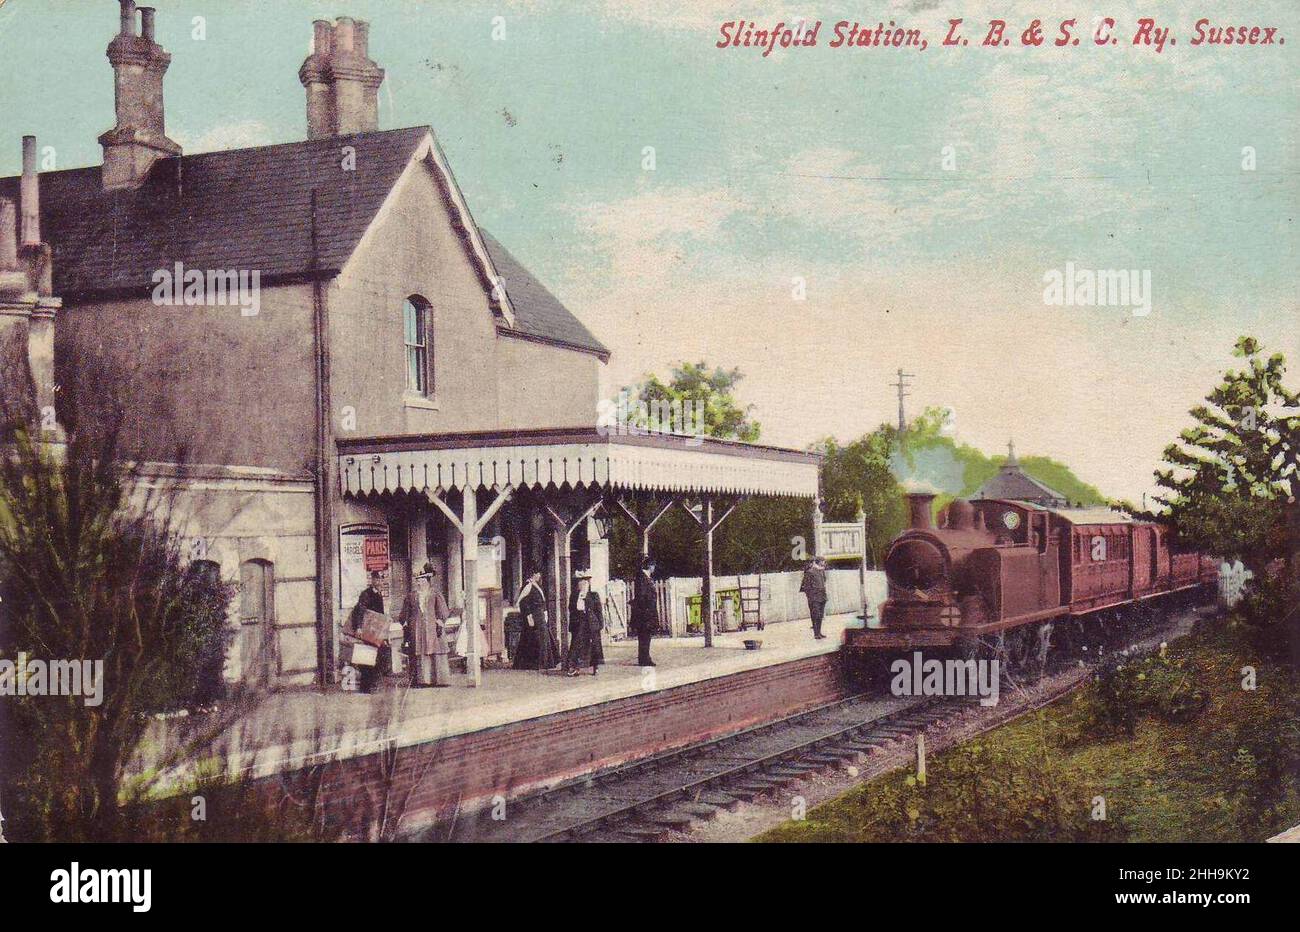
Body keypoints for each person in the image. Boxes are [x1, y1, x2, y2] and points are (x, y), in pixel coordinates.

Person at [401, 562, 451, 687]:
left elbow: (443, 611)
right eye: (417, 580)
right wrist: (406, 624)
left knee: (435, 651)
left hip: (433, 629)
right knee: (419, 652)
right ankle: (422, 680)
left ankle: (438, 680)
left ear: (427, 580)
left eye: (421, 580)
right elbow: (404, 614)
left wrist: (439, 623)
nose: (418, 583)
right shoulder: (411, 596)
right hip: (417, 629)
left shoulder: (435, 594)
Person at [347, 570, 387, 693]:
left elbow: (381, 616)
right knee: (367, 657)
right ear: (372, 580)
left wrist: (384, 634)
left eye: (381, 580)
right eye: (377, 579)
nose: (379, 582)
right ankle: (365, 687)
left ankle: (372, 685)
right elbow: (360, 611)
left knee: (377, 657)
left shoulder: (379, 595)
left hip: (376, 632)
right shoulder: (366, 594)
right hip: (366, 631)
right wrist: (359, 627)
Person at [512, 571, 560, 670]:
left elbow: (542, 600)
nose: (539, 576)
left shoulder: (537, 585)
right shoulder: (528, 585)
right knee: (537, 637)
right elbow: (523, 602)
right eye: (538, 574)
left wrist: (545, 611)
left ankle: (546, 662)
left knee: (544, 637)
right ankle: (536, 663)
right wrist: (529, 615)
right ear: (533, 574)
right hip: (534, 615)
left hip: (540, 614)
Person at [564, 570, 605, 676]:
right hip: (579, 623)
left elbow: (598, 611)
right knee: (576, 645)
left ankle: (595, 666)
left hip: (591, 623)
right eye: (581, 582)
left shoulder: (593, 595)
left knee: (594, 646)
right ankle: (573, 666)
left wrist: (600, 624)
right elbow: (571, 609)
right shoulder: (574, 596)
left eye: (585, 582)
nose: (582, 584)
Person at [630, 558, 659, 667]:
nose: (654, 568)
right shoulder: (642, 578)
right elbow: (642, 596)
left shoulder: (645, 577)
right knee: (644, 636)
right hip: (644, 614)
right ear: (650, 566)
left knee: (646, 636)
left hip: (646, 613)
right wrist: (647, 611)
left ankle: (645, 657)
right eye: (653, 566)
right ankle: (644, 659)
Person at [800, 556, 829, 640]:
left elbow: (824, 581)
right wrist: (810, 597)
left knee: (820, 615)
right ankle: (816, 634)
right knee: (815, 615)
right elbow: (806, 586)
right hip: (814, 598)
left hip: (822, 596)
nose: (824, 563)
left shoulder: (822, 571)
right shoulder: (810, 572)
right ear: (818, 562)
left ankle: (819, 632)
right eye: (823, 561)